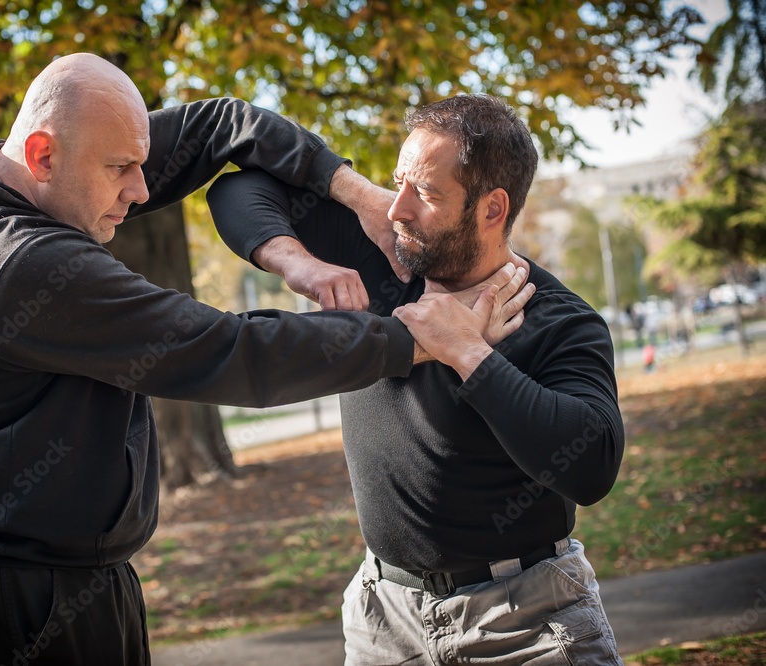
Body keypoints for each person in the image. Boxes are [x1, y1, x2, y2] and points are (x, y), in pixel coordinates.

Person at [0, 55, 529, 665]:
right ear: (41, 155)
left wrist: (361, 197)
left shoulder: (51, 181)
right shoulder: (17, 265)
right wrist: (421, 340)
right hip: (11, 600)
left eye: (142, 163)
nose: (142, 190)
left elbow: (225, 126)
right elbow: (229, 351)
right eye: (121, 168)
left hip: (68, 581)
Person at [208, 94, 626, 664]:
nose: (398, 208)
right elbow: (236, 188)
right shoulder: (380, 247)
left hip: (525, 621)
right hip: (384, 619)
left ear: (491, 208)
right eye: (396, 182)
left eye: (424, 193)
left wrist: (466, 351)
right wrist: (307, 255)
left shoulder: (557, 317)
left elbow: (591, 466)